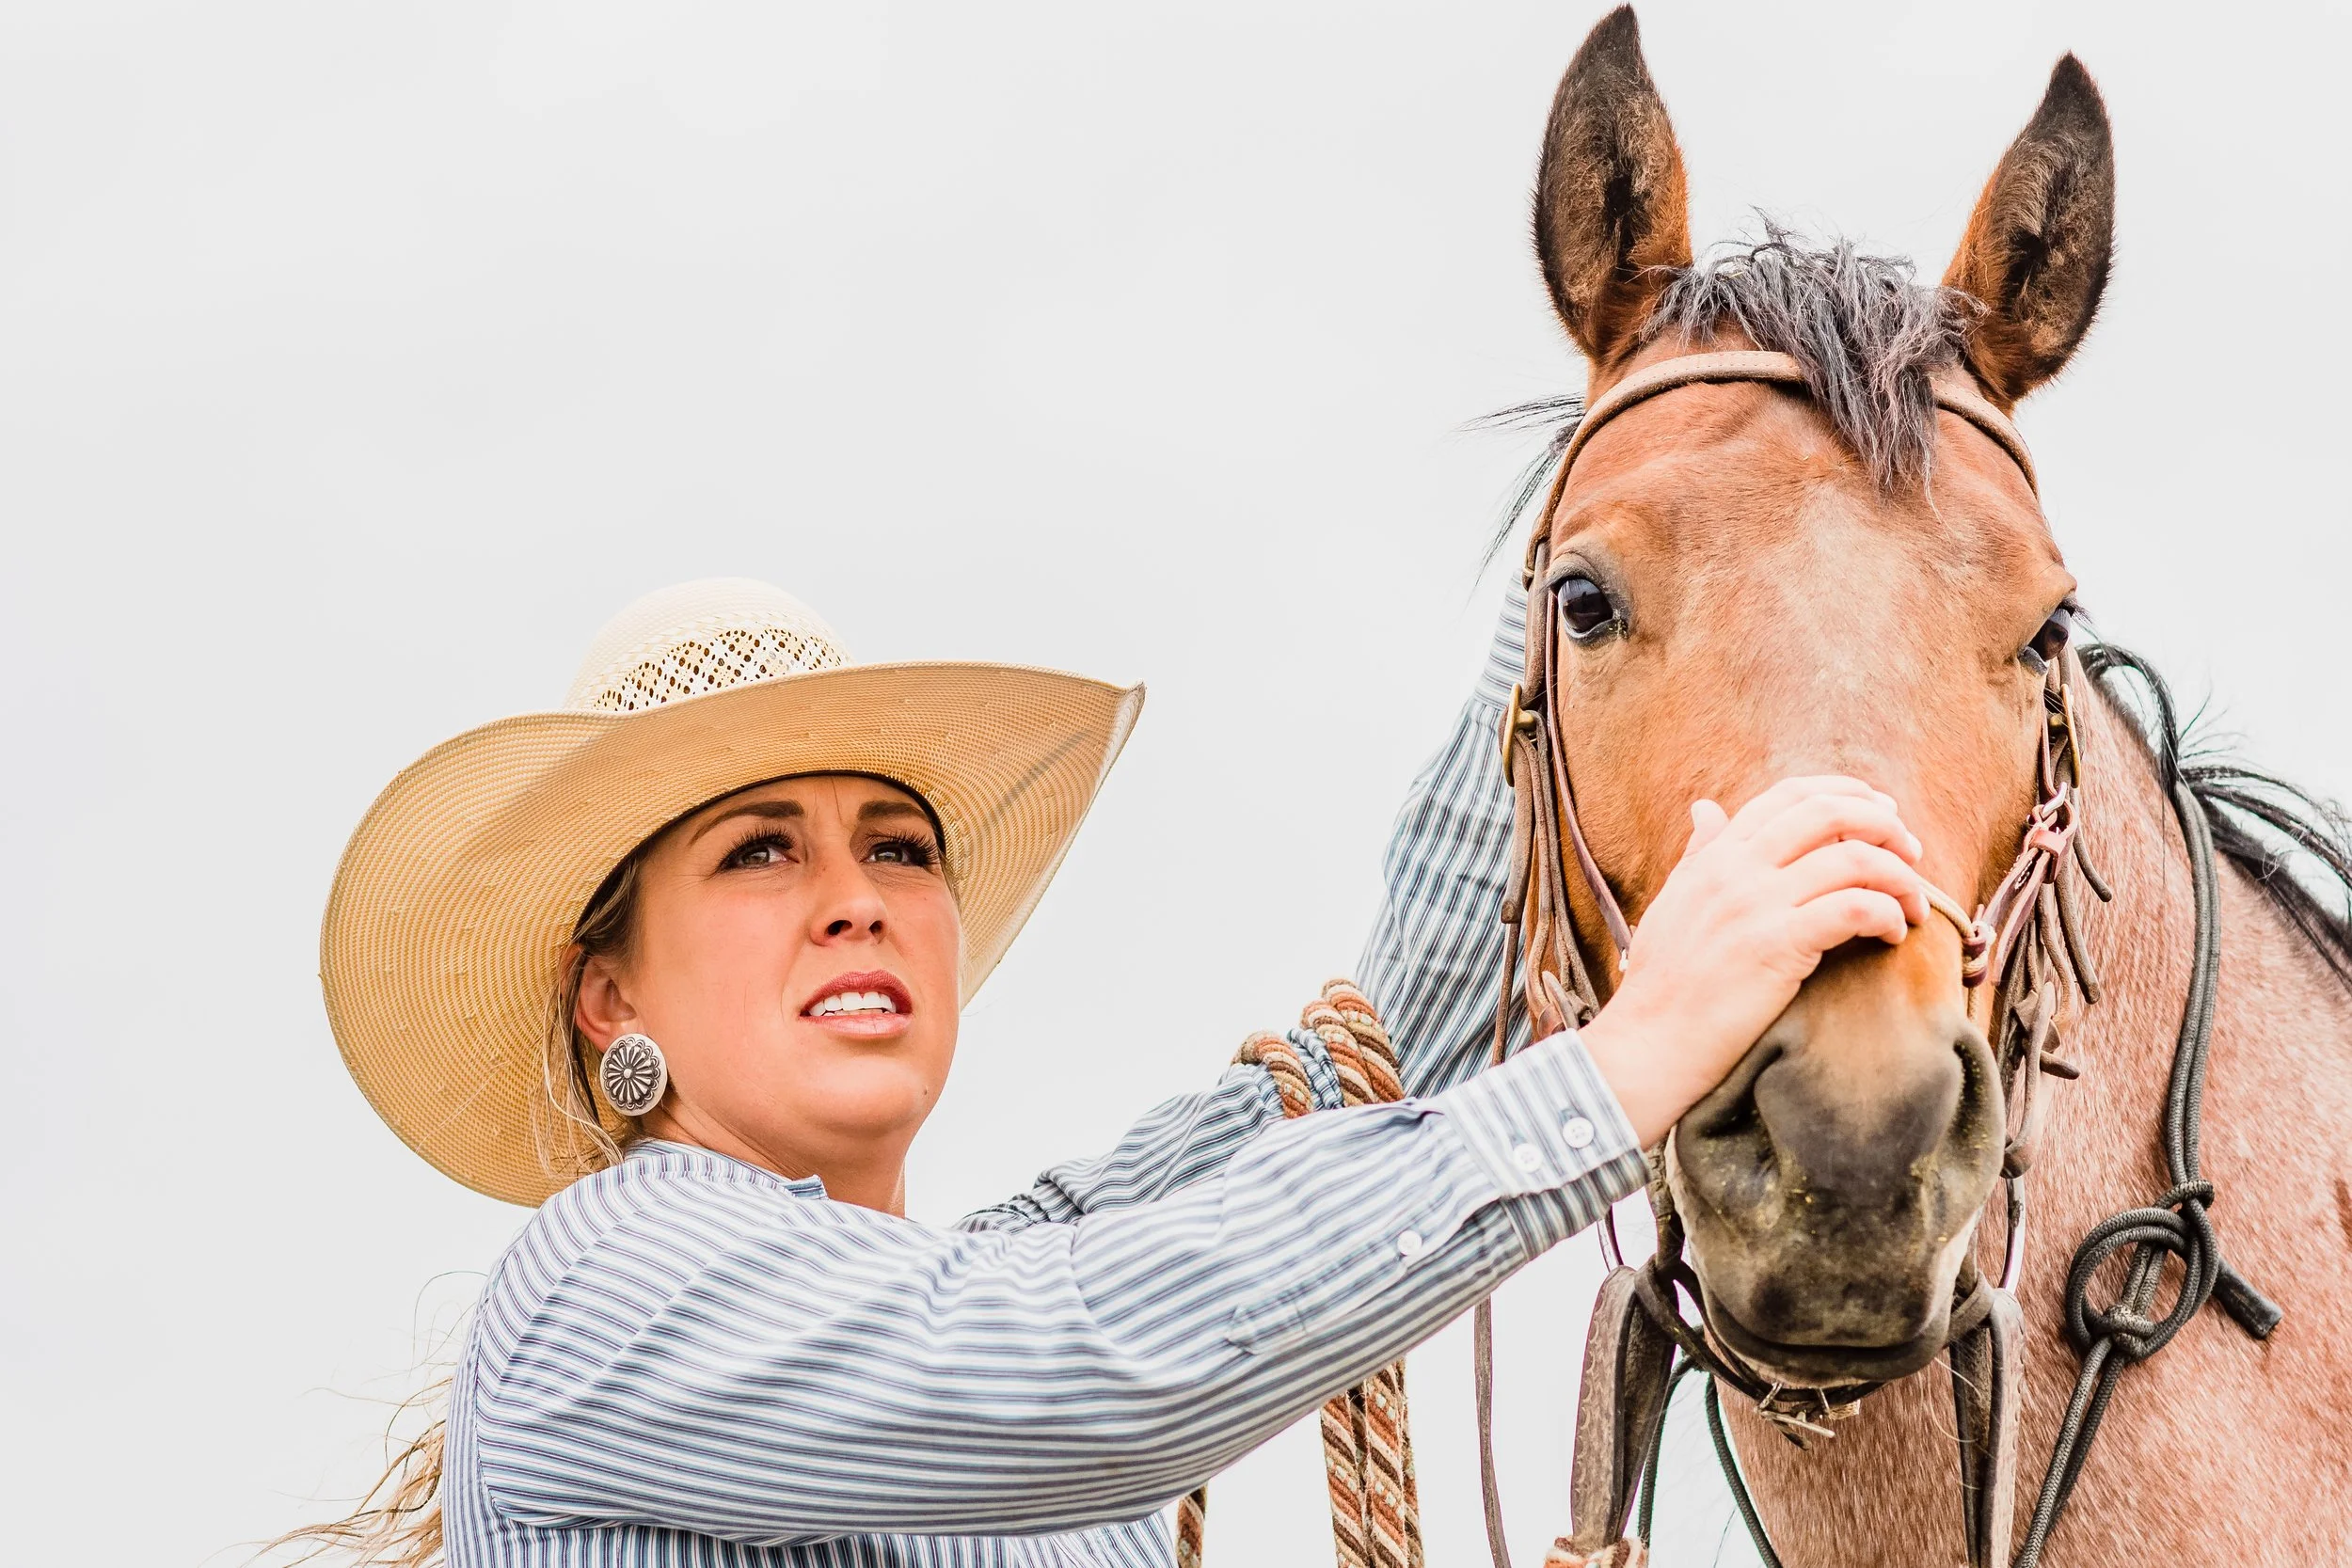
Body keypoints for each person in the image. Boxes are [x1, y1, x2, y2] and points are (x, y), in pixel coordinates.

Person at [307, 575, 1928, 1566]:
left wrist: (1578, 554)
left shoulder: (1002, 1272)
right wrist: (1632, 1054)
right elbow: (1074, 1353)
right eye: (759, 850)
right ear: (609, 996)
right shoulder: (598, 1281)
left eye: (897, 846)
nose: (857, 896)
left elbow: (1372, 1060)